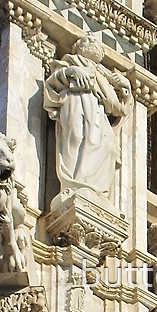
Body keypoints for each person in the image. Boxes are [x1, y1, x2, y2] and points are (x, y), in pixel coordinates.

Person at [44, 35, 133, 204]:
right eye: (89, 42)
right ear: (79, 48)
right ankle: (73, 186)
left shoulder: (103, 75)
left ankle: (94, 190)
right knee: (76, 137)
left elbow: (118, 108)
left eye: (97, 44)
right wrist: (71, 71)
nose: (94, 45)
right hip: (76, 101)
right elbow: (53, 82)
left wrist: (125, 87)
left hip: (97, 111)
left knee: (109, 147)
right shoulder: (71, 61)